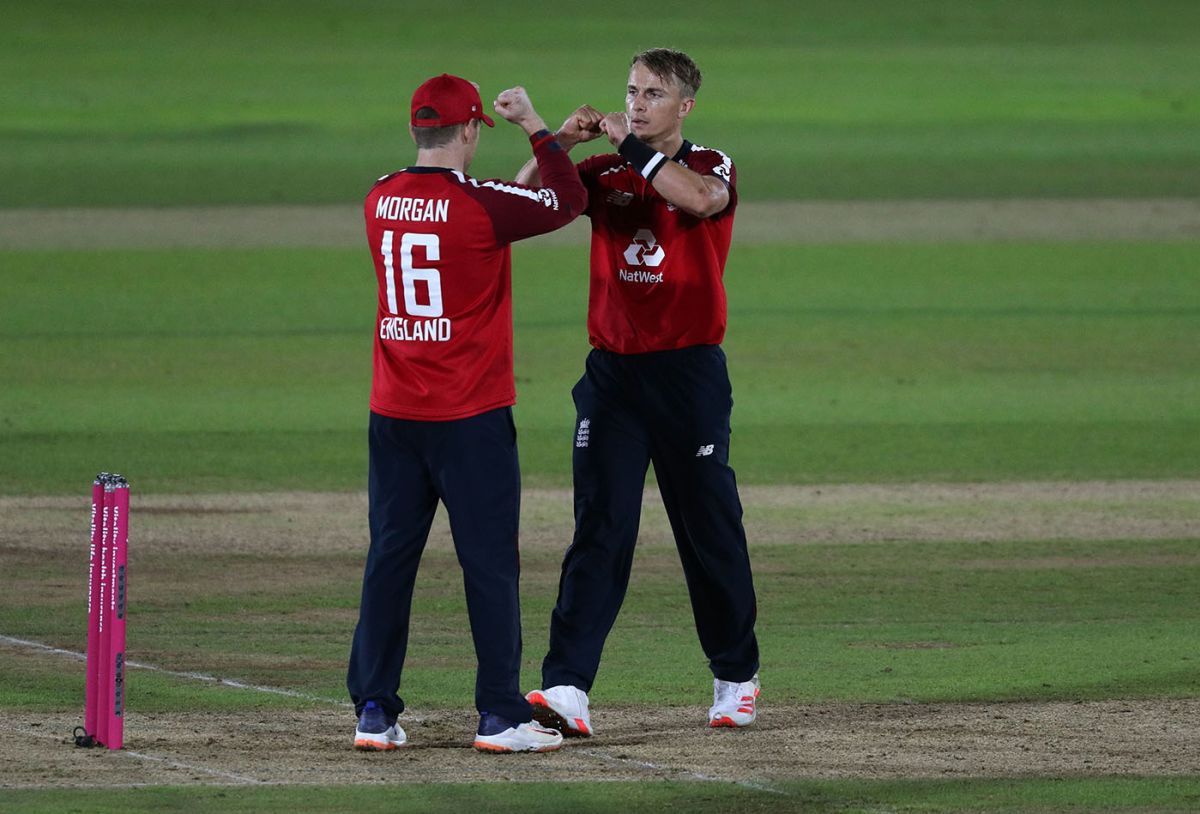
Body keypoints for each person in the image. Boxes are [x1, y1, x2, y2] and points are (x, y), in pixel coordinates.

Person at [517, 48, 761, 735]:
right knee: (600, 527)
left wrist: (628, 143)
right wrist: (557, 140)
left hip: (689, 375)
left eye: (653, 93)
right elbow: (531, 199)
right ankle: (566, 688)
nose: (636, 103)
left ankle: (735, 676)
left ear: (685, 107)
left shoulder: (711, 165)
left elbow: (700, 201)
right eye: (631, 91)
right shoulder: (603, 171)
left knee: (708, 528)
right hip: (613, 378)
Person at [347, 73, 586, 753]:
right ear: (472, 130)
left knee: (391, 558)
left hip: (393, 415)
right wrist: (539, 126)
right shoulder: (478, 206)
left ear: (416, 130)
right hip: (469, 418)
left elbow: (500, 205)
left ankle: (374, 710)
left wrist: (555, 139)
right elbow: (562, 201)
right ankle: (500, 715)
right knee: (488, 565)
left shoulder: (379, 198)